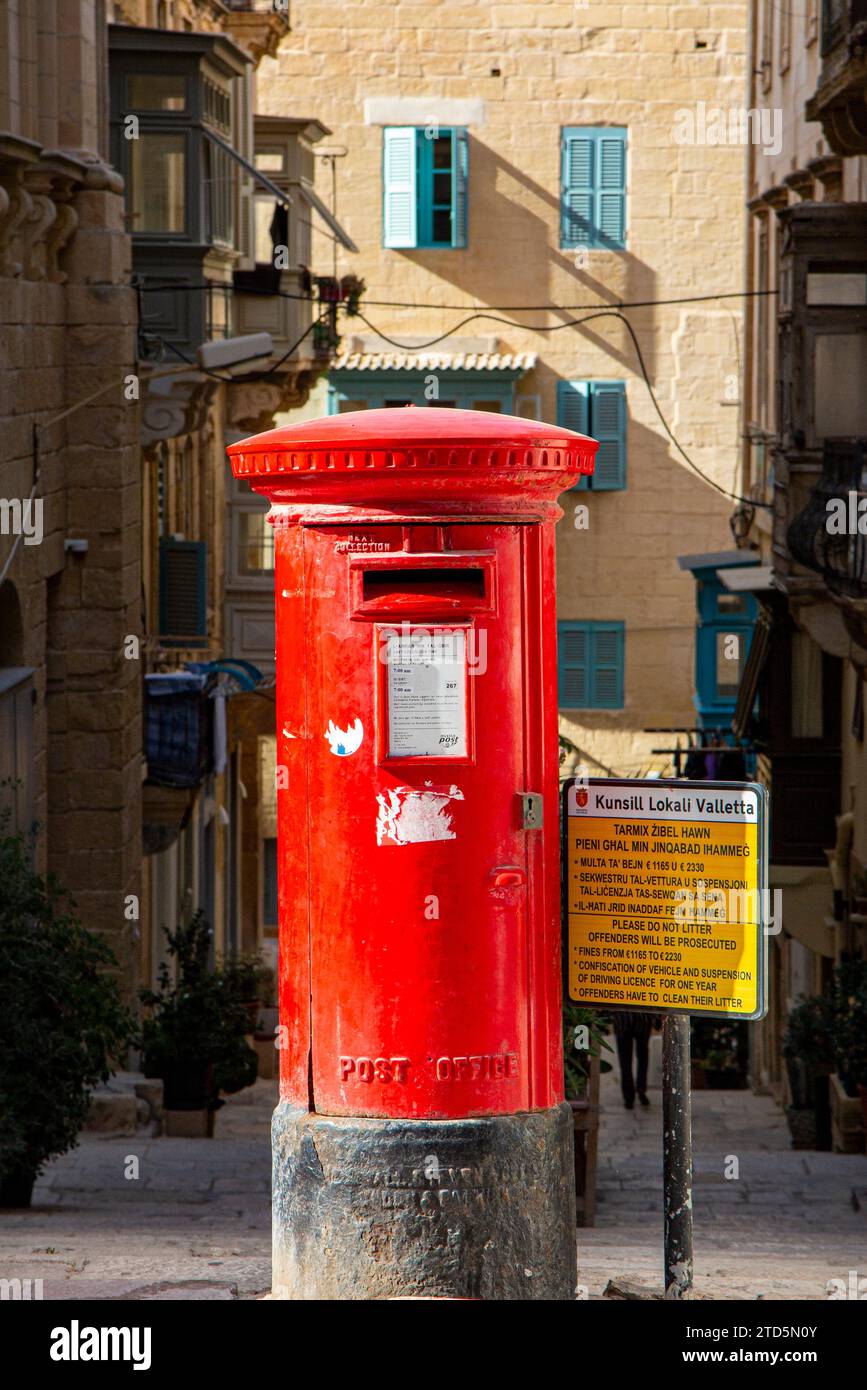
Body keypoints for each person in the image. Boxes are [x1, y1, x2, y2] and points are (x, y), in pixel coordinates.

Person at [613, 1011, 658, 1109]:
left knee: (639, 1057)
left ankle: (636, 1093)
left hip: (633, 1017)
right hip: (631, 1017)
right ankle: (634, 1093)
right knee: (630, 1060)